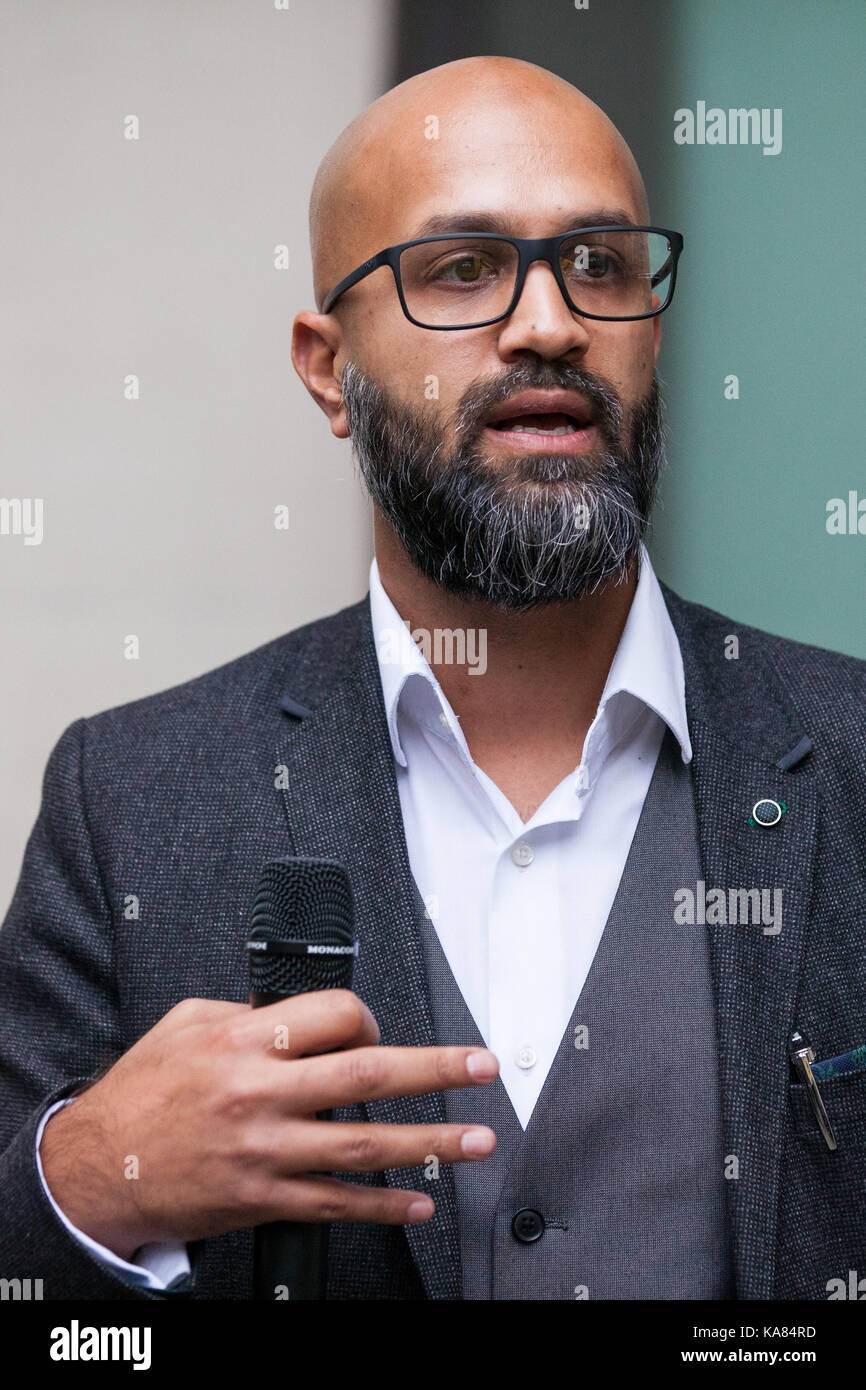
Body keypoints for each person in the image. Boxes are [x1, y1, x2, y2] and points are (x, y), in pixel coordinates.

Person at [1, 56, 864, 1302]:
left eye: (600, 263)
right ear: (323, 366)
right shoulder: (128, 798)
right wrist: (92, 1179)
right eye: (461, 269)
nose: (549, 322)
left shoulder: (843, 752)